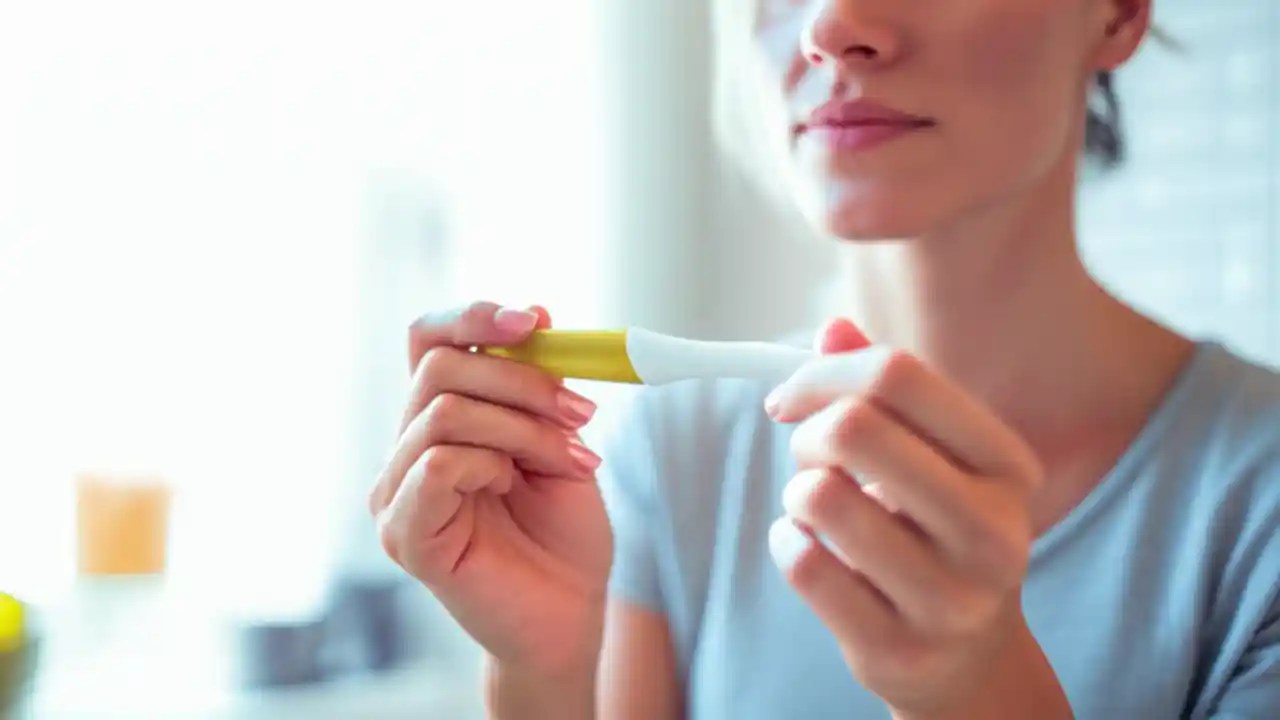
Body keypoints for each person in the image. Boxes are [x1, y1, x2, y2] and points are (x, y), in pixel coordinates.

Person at [368, 0, 1280, 717]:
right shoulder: (682, 448)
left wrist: (978, 696)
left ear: (1117, 10)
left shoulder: (1258, 507)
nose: (830, 26)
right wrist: (540, 677)